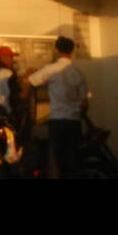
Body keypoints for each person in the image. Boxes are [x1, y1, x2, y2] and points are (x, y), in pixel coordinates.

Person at [25, 36, 88, 178]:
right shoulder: (78, 74)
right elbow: (84, 103)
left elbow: (29, 81)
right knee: (72, 160)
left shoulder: (51, 69)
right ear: (72, 52)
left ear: (56, 50)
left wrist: (29, 74)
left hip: (57, 121)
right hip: (74, 121)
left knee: (55, 160)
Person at [0, 46, 25, 164]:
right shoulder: (9, 73)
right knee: (12, 143)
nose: (12, 60)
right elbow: (16, 95)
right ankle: (12, 165)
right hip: (7, 115)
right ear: (3, 58)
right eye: (10, 57)